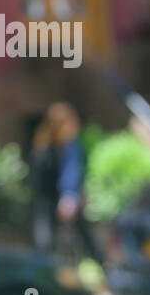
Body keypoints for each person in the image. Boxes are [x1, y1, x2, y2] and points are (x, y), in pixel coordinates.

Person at [28, 102, 101, 263]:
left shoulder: (68, 145)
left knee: (83, 242)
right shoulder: (44, 146)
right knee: (44, 244)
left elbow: (71, 172)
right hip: (46, 202)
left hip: (62, 201)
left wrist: (69, 195)